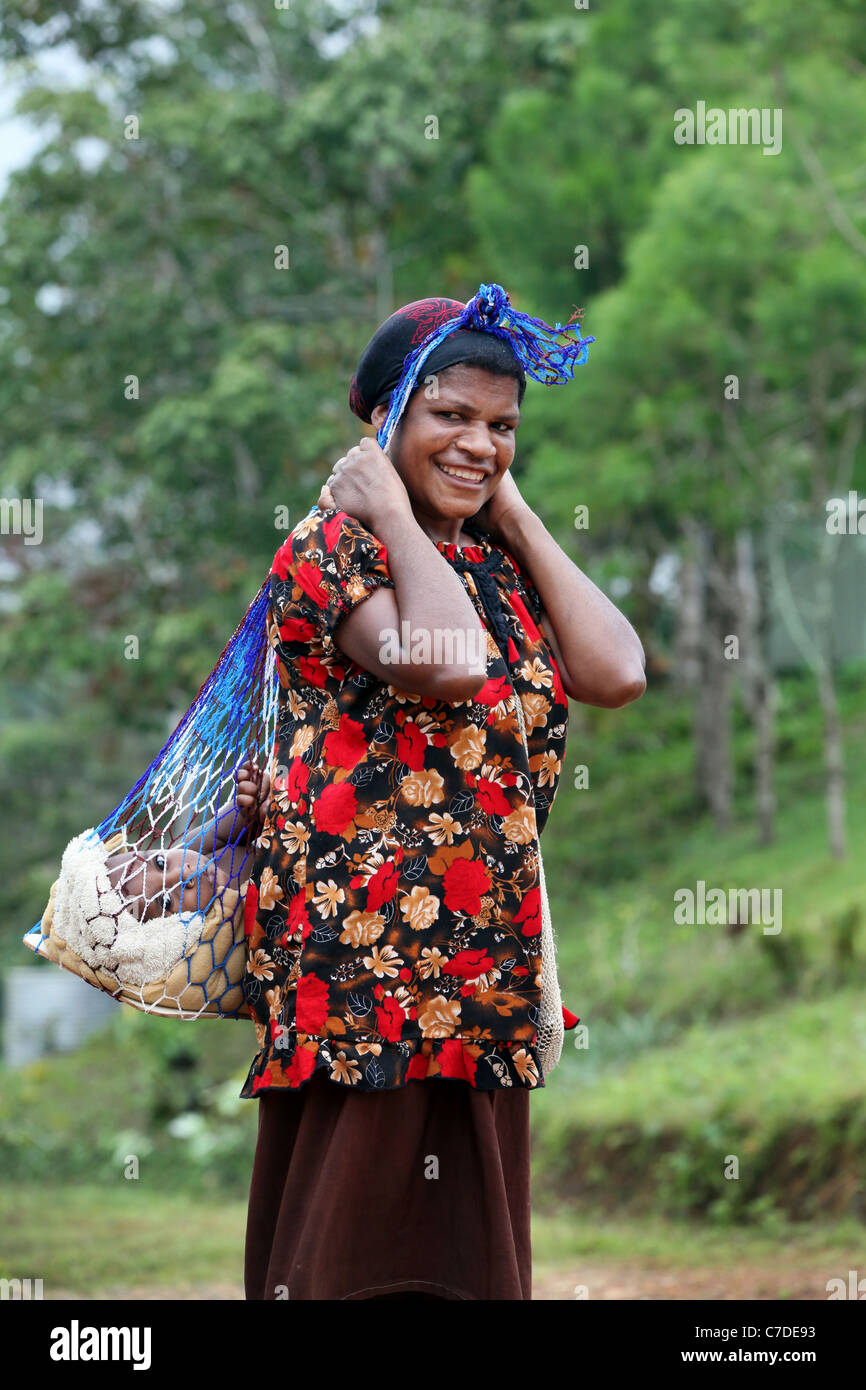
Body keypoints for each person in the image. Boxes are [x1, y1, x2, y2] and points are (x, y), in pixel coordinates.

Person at [242, 287, 646, 1301]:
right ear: (386, 420)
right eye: (450, 416)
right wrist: (385, 503)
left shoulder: (499, 565)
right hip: (359, 975)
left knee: (469, 1264)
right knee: (342, 1264)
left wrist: (510, 507)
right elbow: (448, 660)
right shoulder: (330, 551)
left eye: (502, 426)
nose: (479, 442)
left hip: (482, 967)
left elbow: (617, 672)